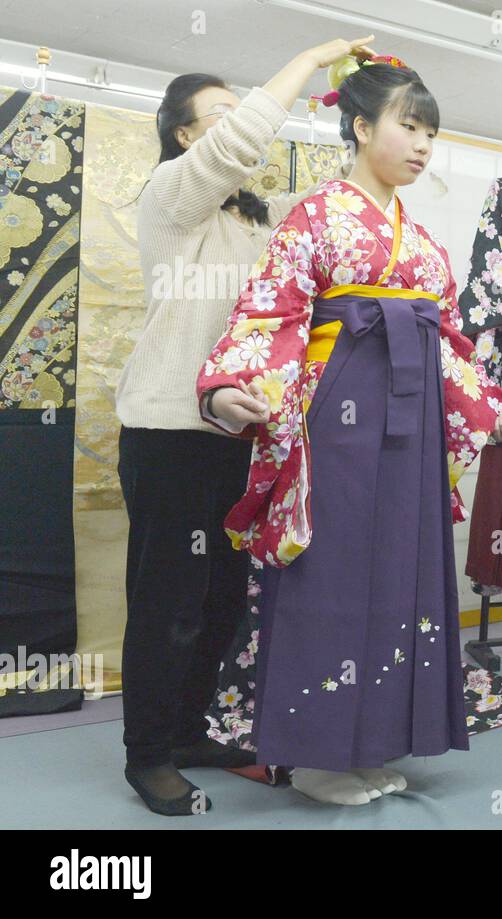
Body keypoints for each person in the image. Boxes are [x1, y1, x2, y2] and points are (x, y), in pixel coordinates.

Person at [199, 56, 502, 805]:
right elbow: (269, 311)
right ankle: (316, 756)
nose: (421, 145)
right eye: (408, 126)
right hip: (339, 411)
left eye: (431, 134)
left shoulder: (421, 241)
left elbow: (447, 339)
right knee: (333, 573)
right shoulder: (317, 216)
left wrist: (486, 403)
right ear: (360, 126)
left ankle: (373, 740)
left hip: (409, 424)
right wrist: (229, 387)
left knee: (400, 573)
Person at [115, 35, 373, 816]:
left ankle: (190, 729)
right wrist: (311, 56)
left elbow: (339, 216)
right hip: (169, 438)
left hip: (240, 442)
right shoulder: (171, 198)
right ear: (188, 136)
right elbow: (242, 140)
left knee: (227, 599)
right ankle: (147, 754)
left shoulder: (260, 227)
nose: (235, 127)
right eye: (218, 117)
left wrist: (364, 121)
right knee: (170, 605)